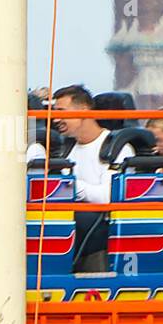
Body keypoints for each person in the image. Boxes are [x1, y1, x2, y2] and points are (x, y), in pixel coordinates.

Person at [52, 85, 134, 272]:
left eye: (61, 112)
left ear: (83, 110)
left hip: (101, 241)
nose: (56, 119)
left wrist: (70, 187)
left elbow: (108, 196)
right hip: (66, 236)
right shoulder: (65, 150)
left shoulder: (117, 148)